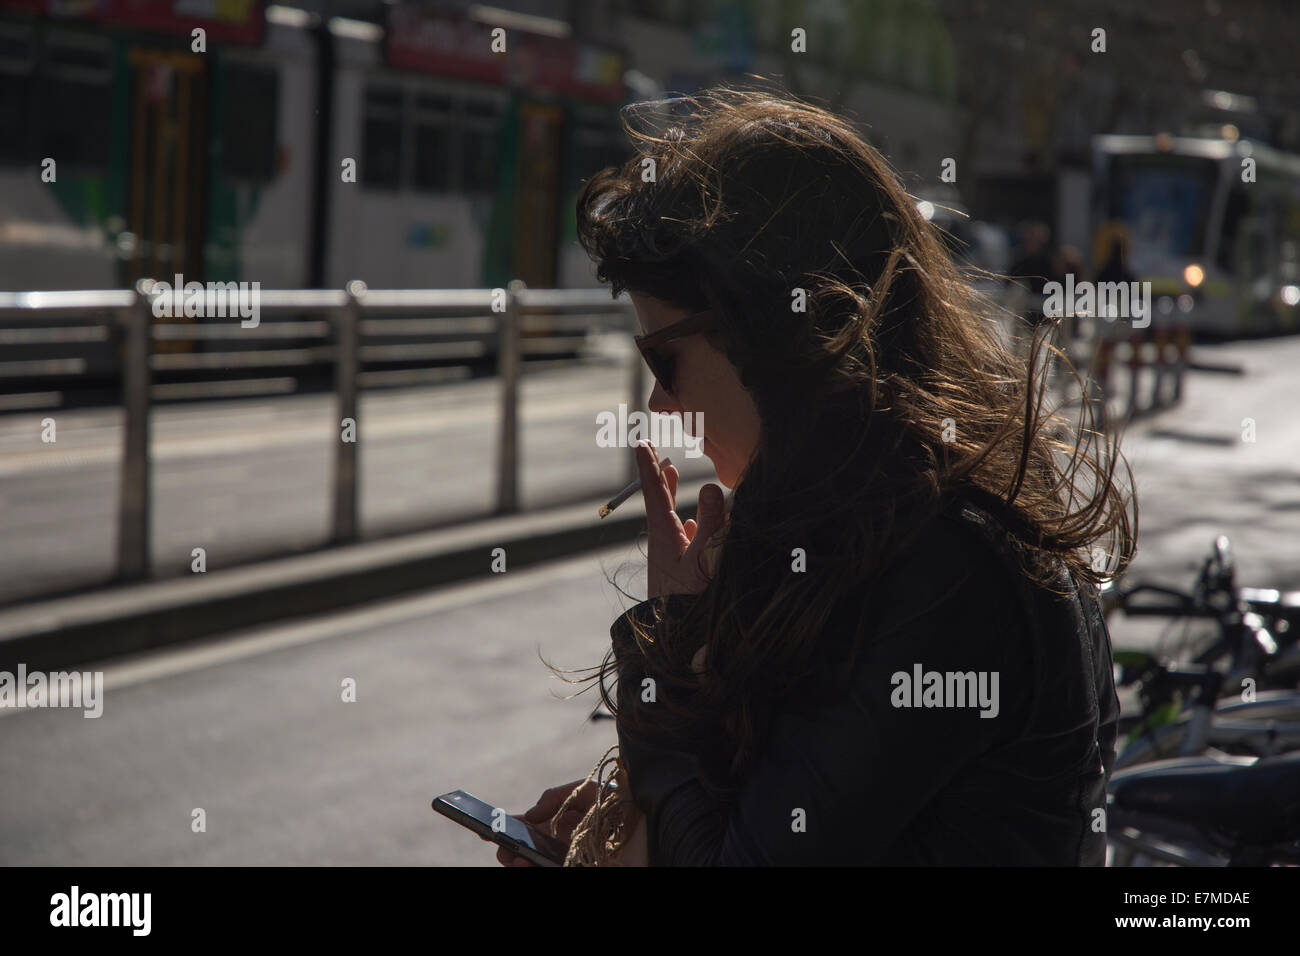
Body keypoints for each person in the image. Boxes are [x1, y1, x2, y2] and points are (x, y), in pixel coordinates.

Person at [492, 85, 1135, 866]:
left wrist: (670, 641)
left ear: (775, 333)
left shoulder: (944, 576)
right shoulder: (881, 529)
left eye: (664, 360)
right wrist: (631, 829)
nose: (661, 403)